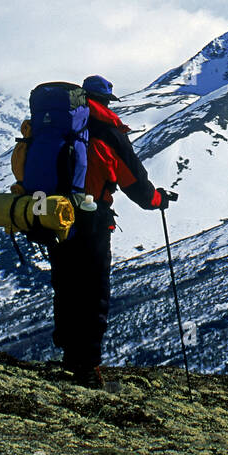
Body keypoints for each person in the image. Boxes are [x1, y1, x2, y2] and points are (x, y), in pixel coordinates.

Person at [47, 75, 170, 388]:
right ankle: (85, 369)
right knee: (93, 292)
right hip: (91, 219)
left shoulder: (59, 125)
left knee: (66, 284)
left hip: (53, 214)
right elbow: (136, 184)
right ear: (105, 102)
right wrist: (157, 199)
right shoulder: (110, 133)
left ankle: (69, 356)